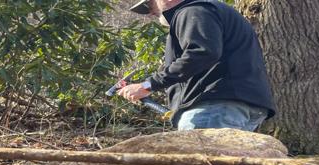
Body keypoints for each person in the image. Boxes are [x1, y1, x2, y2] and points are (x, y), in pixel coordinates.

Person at [118, 0, 276, 132]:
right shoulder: (209, 12)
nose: (151, 13)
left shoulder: (193, 11)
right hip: (236, 108)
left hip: (214, 109)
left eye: (150, 5)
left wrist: (147, 85)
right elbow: (198, 59)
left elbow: (201, 53)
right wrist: (147, 86)